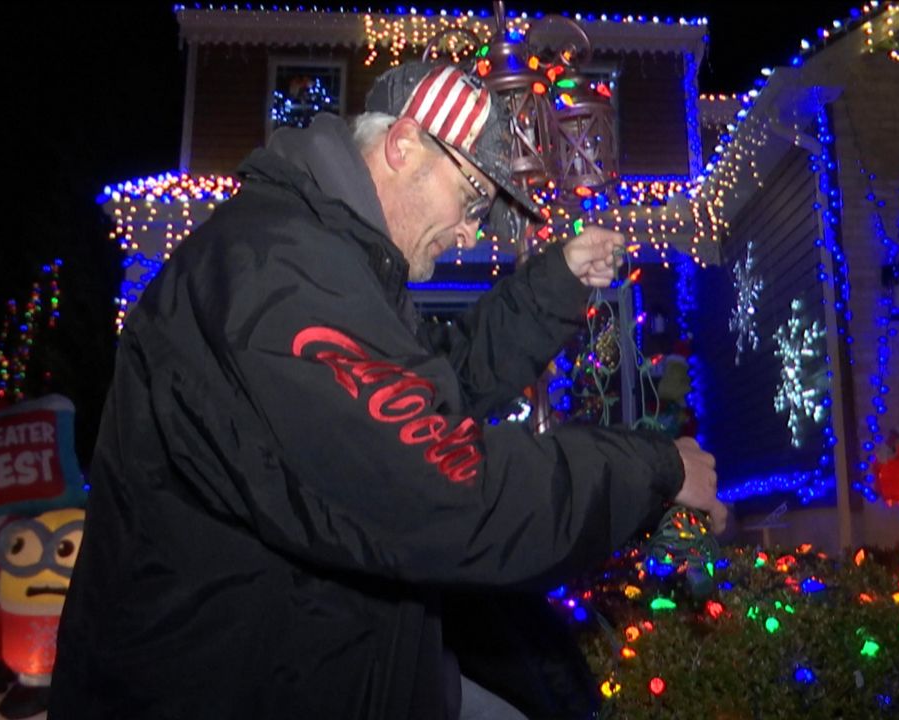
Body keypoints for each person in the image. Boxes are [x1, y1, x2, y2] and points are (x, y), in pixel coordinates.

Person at [50, 60, 727, 719]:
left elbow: (437, 385)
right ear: (404, 146)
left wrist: (556, 282)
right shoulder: (278, 277)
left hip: (321, 667)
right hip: (237, 685)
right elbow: (443, 492)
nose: (470, 232)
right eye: (470, 199)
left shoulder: (330, 263)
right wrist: (657, 466)